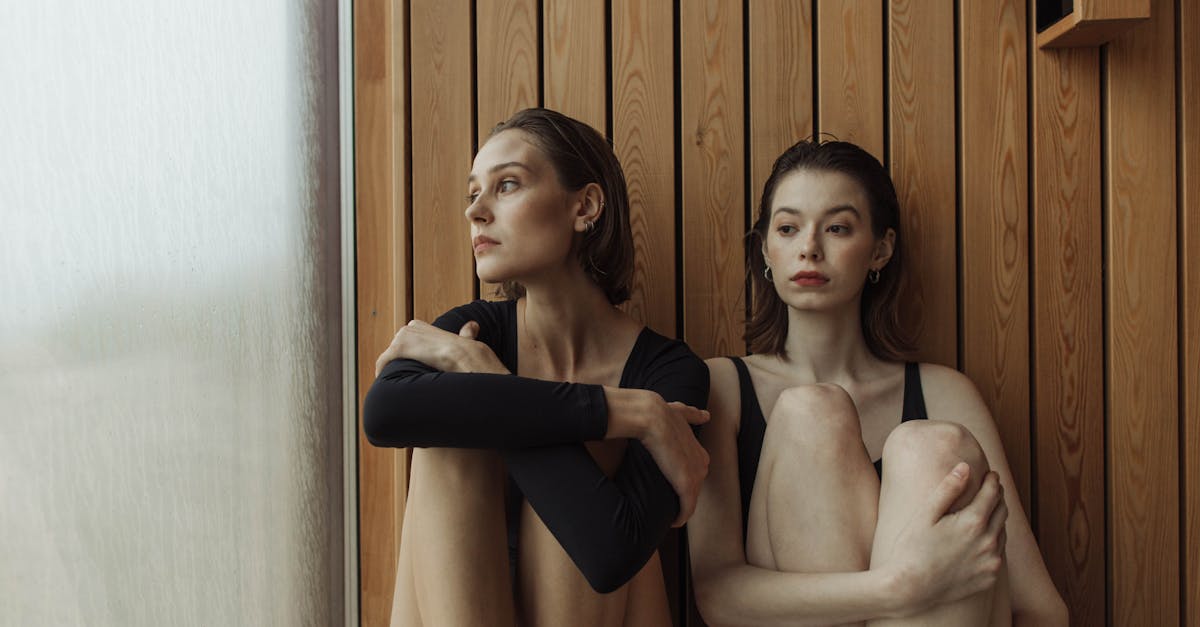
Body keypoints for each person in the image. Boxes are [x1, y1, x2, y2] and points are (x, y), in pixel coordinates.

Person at [687, 139, 1068, 626]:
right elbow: (717, 593)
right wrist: (900, 588)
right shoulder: (722, 386)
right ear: (766, 248)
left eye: (838, 228)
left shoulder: (944, 393)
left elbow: (1040, 608)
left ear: (880, 250)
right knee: (812, 414)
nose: (809, 247)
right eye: (788, 228)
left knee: (930, 446)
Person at [362, 108, 710, 627]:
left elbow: (608, 552)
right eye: (472, 193)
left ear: (585, 206)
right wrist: (630, 412)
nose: (476, 212)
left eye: (506, 186)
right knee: (452, 445)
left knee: (586, 452)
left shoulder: (665, 372)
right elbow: (384, 414)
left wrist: (484, 375)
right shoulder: (473, 331)